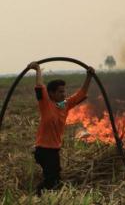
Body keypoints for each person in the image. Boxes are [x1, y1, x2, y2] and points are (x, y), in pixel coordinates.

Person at [27, 61, 95, 194]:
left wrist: (89, 76)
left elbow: (81, 94)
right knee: (51, 180)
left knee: (56, 179)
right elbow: (40, 87)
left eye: (64, 91)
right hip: (44, 150)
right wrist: (38, 69)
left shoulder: (64, 105)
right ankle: (35, 195)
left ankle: (43, 196)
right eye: (60, 92)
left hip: (54, 150)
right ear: (51, 93)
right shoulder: (46, 104)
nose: (64, 94)